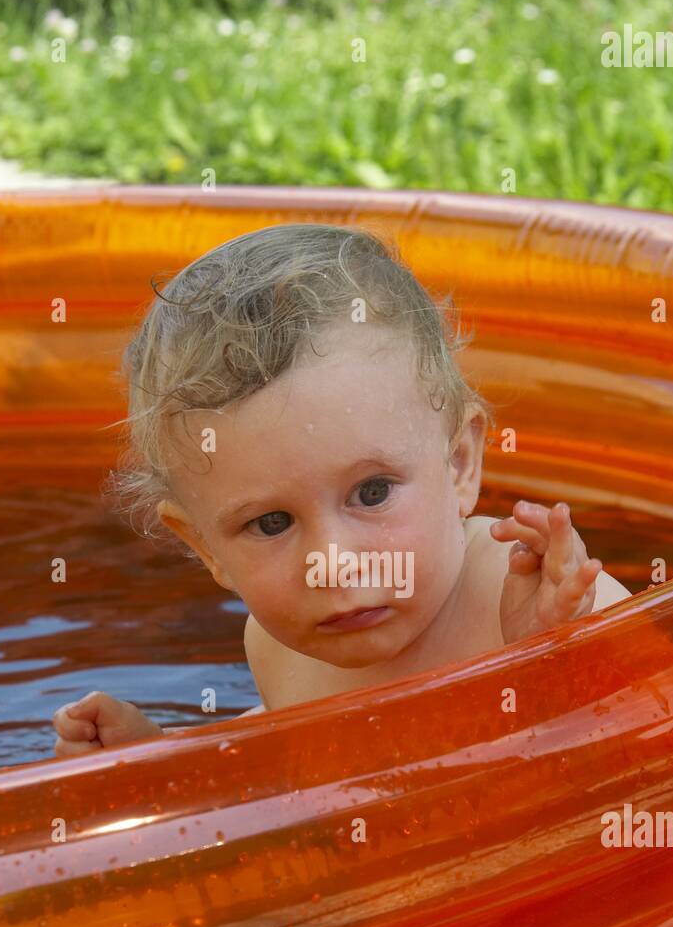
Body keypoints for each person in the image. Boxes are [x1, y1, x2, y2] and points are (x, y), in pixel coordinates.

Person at [53, 223, 630, 757]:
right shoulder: (278, 648)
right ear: (205, 546)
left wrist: (555, 665)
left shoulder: (550, 601)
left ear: (458, 464)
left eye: (373, 492)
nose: (334, 565)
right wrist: (165, 760)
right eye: (271, 524)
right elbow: (292, 759)